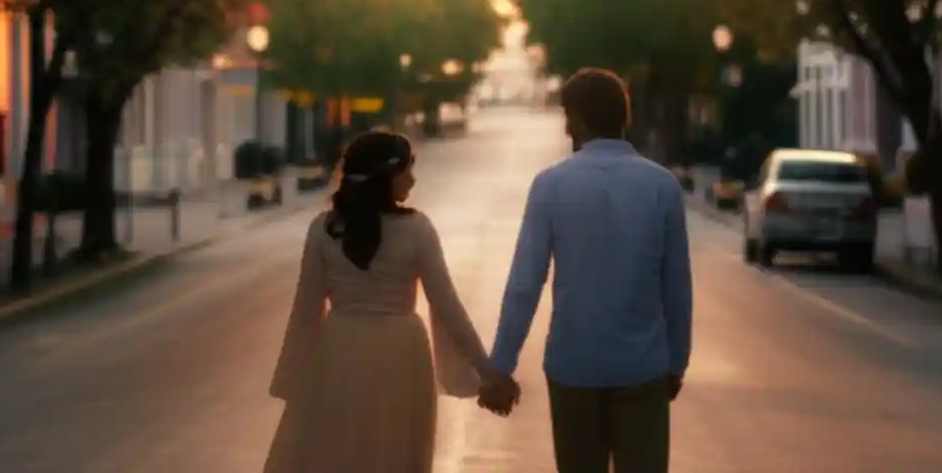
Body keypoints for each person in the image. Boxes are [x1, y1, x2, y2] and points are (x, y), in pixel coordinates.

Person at [264, 130, 518, 473]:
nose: (412, 180)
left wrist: (293, 381)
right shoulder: (417, 230)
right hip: (402, 355)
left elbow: (305, 314)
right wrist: (490, 375)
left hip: (339, 353)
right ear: (386, 177)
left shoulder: (324, 229)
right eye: (407, 170)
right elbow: (448, 309)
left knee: (339, 455)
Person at [479, 67, 693, 473]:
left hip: (574, 365)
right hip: (642, 367)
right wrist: (676, 361)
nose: (565, 125)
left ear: (577, 117)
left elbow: (525, 284)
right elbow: (676, 287)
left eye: (566, 115)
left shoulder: (552, 185)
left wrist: (501, 367)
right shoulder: (662, 187)